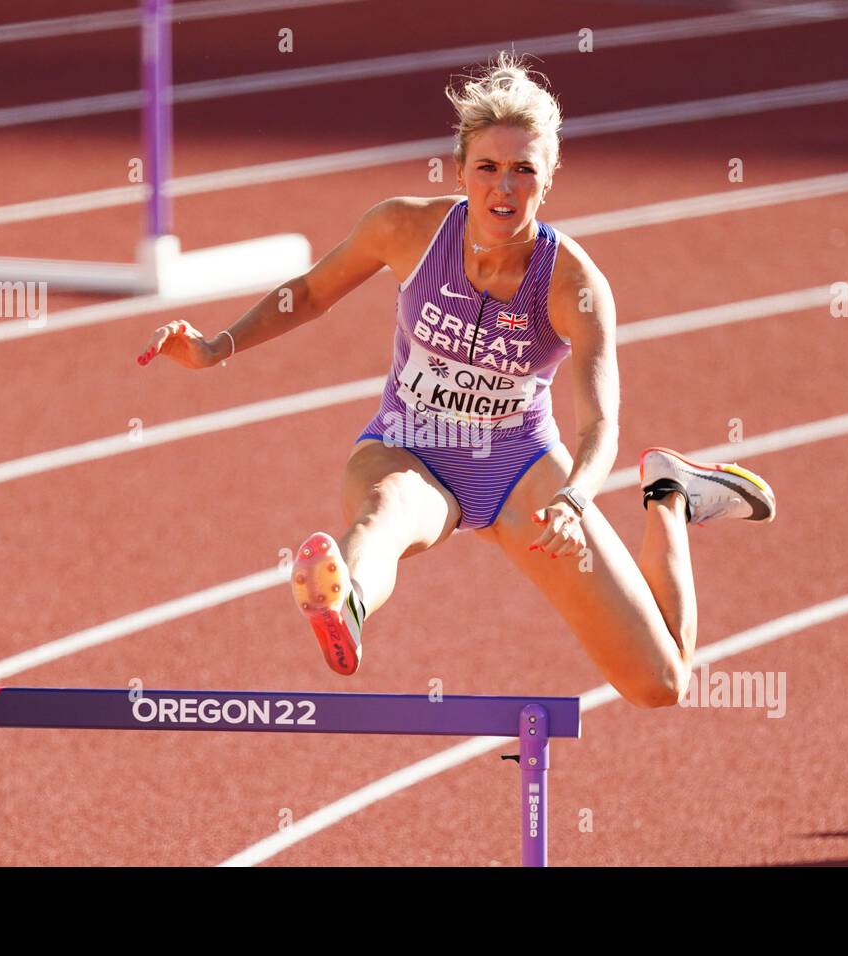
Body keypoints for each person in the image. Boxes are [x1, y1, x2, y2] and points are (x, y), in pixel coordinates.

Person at [138, 52, 775, 708]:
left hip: (519, 464)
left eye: (524, 172)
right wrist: (217, 346)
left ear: (548, 180)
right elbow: (309, 293)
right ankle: (345, 602)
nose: (504, 189)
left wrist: (575, 500)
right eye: (489, 169)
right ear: (460, 170)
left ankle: (667, 495)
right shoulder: (406, 229)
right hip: (408, 443)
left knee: (660, 684)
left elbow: (601, 421)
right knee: (384, 512)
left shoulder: (574, 285)